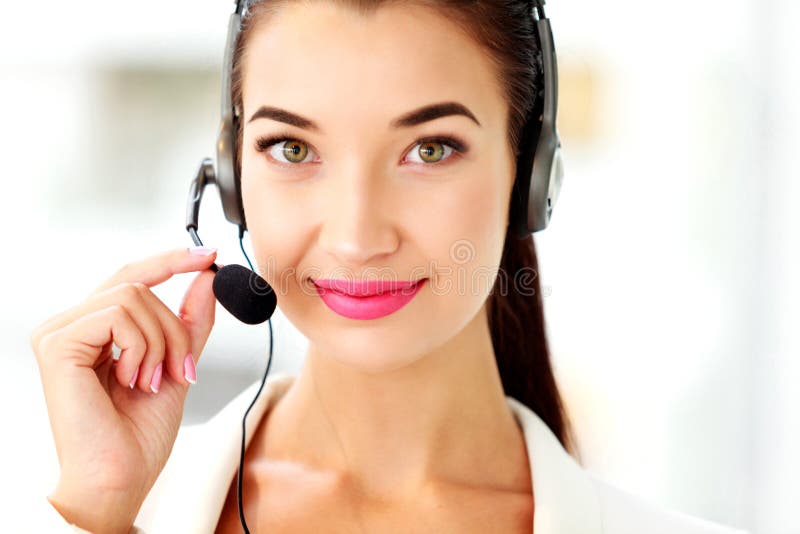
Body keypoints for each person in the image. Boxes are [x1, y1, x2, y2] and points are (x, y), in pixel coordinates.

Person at [29, 1, 750, 532]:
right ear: (230, 176)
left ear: (528, 173)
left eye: (430, 149)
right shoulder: (113, 509)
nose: (356, 237)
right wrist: (99, 511)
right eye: (292, 149)